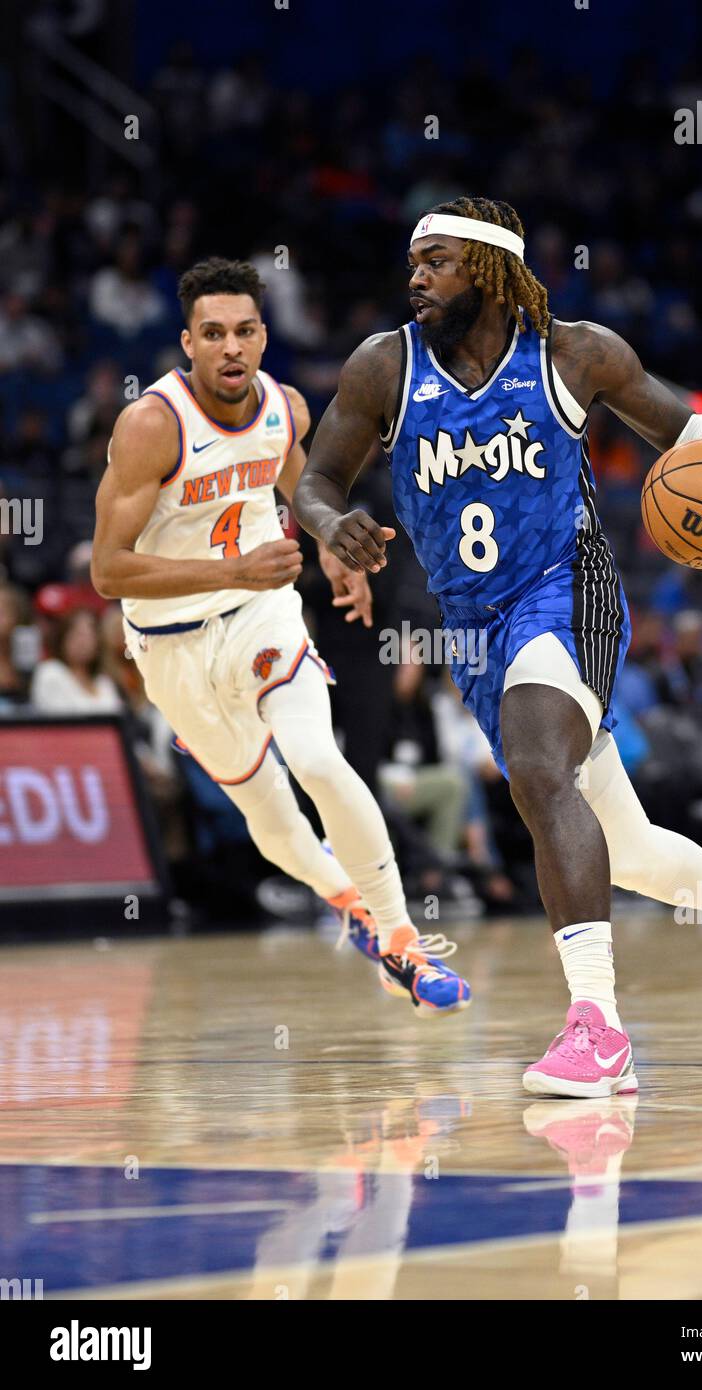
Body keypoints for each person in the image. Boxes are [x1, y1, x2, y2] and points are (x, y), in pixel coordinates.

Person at [293, 196, 702, 1098]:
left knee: (538, 771)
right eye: (413, 261)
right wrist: (332, 524)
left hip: (569, 590)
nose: (416, 276)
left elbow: (686, 431)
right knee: (627, 844)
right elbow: (316, 478)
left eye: (439, 261)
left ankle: (597, 1028)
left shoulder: (576, 354)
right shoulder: (384, 367)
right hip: (473, 625)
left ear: (490, 272)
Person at [91, 257, 470, 1014]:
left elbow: (301, 484)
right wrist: (233, 571)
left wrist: (331, 547)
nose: (231, 348)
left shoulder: (285, 408)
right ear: (187, 343)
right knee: (269, 814)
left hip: (262, 618)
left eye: (244, 331)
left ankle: (402, 940)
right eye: (213, 334)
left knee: (319, 761)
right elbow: (108, 572)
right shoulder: (151, 426)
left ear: (264, 335)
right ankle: (347, 902)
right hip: (172, 646)